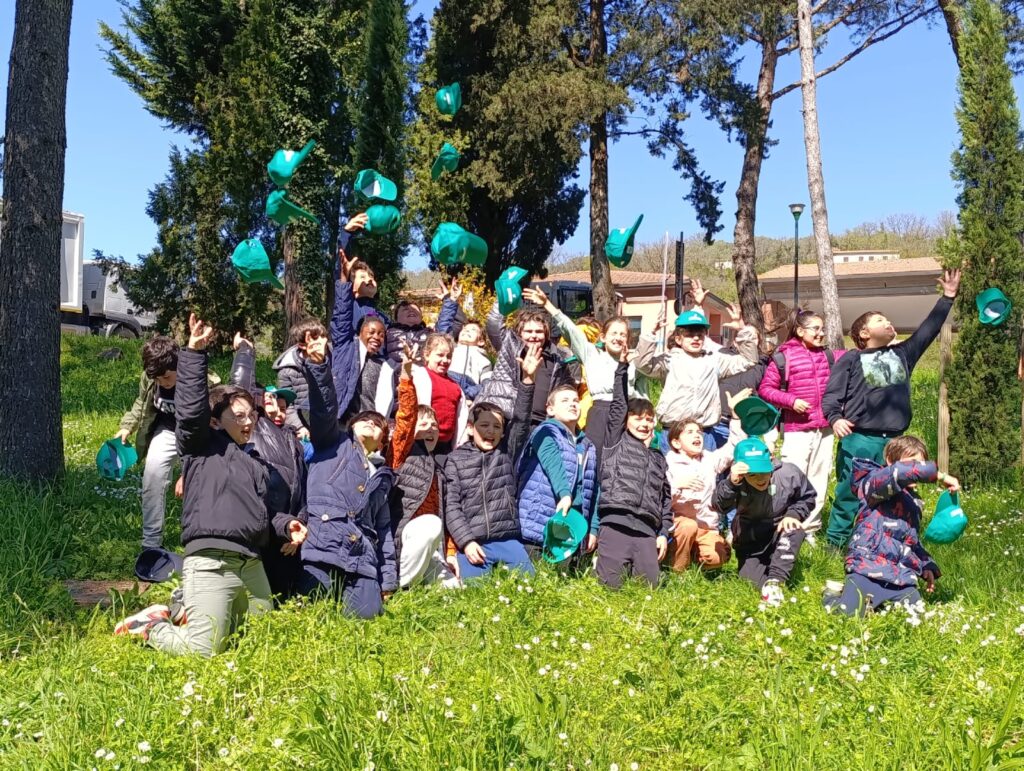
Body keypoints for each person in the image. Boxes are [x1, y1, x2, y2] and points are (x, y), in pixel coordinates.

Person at [114, 314, 306, 655]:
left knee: (264, 644)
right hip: (211, 560)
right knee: (205, 650)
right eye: (240, 415)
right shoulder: (200, 446)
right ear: (216, 420)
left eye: (253, 415)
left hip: (250, 564)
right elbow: (189, 411)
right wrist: (193, 353)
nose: (249, 422)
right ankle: (151, 628)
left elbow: (263, 512)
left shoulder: (257, 463)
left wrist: (286, 523)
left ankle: (180, 605)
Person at [821, 269, 961, 549]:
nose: (888, 322)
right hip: (860, 438)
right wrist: (835, 418)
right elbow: (831, 396)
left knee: (894, 494)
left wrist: (947, 298)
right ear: (864, 332)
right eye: (879, 320)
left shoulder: (903, 354)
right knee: (851, 492)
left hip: (896, 443)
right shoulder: (851, 358)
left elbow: (928, 329)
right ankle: (835, 545)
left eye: (887, 319)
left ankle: (881, 542)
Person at [298, 328, 397, 618]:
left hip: (361, 555)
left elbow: (384, 530)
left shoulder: (382, 476)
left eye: (377, 424)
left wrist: (387, 579)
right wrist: (319, 367)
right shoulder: (332, 442)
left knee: (365, 618)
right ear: (351, 426)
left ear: (382, 439)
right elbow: (323, 410)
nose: (369, 423)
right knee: (311, 613)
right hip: (323, 542)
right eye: (363, 420)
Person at [824, 435, 958, 617]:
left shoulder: (915, 502)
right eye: (913, 464)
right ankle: (832, 596)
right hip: (866, 569)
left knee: (915, 620)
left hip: (902, 578)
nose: (918, 470)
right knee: (847, 616)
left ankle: (876, 605)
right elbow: (898, 473)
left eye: (921, 464)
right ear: (890, 460)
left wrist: (926, 564)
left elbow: (911, 540)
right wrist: (939, 475)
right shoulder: (873, 483)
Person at [443, 346, 539, 580]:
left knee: (530, 588)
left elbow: (522, 420)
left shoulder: (506, 452)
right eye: (484, 425)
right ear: (470, 428)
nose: (491, 431)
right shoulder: (455, 459)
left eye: (497, 427)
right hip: (475, 541)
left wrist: (528, 380)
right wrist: (465, 542)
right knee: (477, 597)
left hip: (507, 538)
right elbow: (452, 506)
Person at [228, 333, 308, 600]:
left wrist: (298, 525)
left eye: (285, 406)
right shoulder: (255, 428)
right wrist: (245, 353)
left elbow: (303, 490)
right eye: (273, 402)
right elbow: (239, 391)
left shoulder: (293, 441)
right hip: (259, 527)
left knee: (284, 597)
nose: (279, 410)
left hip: (287, 533)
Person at [524, 286, 646, 461]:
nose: (618, 337)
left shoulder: (631, 362)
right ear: (603, 337)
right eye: (614, 333)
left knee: (622, 460)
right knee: (594, 458)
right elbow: (572, 331)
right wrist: (548, 305)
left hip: (626, 413)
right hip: (600, 412)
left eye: (623, 334)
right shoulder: (592, 355)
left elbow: (642, 395)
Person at [758, 309, 846, 537]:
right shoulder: (783, 357)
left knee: (819, 478)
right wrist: (791, 401)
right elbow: (765, 389)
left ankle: (810, 530)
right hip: (797, 429)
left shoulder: (828, 356)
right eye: (816, 328)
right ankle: (787, 528)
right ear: (800, 331)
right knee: (792, 478)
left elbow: (853, 358)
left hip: (824, 429)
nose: (821, 333)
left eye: (822, 328)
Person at [116, 335, 206, 549]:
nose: (162, 383)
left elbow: (207, 423)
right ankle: (151, 543)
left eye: (167, 378)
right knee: (152, 477)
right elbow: (142, 402)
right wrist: (127, 426)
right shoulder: (151, 378)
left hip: (197, 436)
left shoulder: (200, 379)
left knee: (198, 484)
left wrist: (188, 469)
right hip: (166, 431)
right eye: (157, 380)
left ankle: (199, 538)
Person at [592, 355, 672, 589]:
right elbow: (618, 406)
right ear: (627, 421)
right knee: (610, 588)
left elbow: (665, 500)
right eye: (638, 418)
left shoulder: (658, 458)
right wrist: (622, 370)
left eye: (649, 419)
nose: (644, 424)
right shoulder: (616, 442)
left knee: (648, 589)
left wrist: (663, 533)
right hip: (616, 522)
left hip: (646, 530)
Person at [635, 304, 757, 451]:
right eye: (689, 334)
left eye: (700, 334)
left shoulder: (715, 360)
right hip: (673, 432)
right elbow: (642, 364)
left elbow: (749, 360)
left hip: (704, 433)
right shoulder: (669, 360)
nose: (695, 338)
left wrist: (741, 330)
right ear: (679, 339)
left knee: (706, 474)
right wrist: (650, 334)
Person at [388, 343, 459, 589]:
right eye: (424, 424)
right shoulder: (401, 454)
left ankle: (419, 585)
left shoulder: (439, 468)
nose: (431, 428)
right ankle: (402, 587)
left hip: (432, 546)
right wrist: (407, 376)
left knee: (454, 591)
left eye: (434, 425)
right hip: (405, 539)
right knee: (430, 524)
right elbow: (405, 418)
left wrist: (451, 552)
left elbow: (447, 513)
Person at [713, 436, 816, 607]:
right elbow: (718, 506)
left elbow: (808, 497)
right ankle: (768, 579)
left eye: (764, 472)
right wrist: (731, 484)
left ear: (771, 461)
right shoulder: (735, 481)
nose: (760, 479)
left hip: (779, 529)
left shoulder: (788, 472)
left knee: (794, 528)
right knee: (751, 583)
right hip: (750, 537)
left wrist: (793, 514)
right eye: (752, 474)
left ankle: (776, 580)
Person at [665, 388, 751, 573]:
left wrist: (735, 416)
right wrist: (678, 485)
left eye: (699, 432)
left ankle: (697, 557)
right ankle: (677, 571)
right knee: (688, 526)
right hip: (679, 526)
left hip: (706, 527)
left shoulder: (709, 459)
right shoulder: (668, 464)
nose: (697, 435)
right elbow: (658, 498)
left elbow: (733, 448)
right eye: (689, 432)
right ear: (676, 443)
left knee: (718, 557)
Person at [516, 378, 599, 563]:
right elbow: (552, 462)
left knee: (564, 584)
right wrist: (565, 494)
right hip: (539, 524)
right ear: (550, 409)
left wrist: (593, 528)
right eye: (565, 400)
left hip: (571, 528)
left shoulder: (588, 445)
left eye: (576, 401)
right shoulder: (545, 432)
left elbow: (594, 489)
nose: (572, 404)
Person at [480, 300, 579, 426]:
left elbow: (566, 389)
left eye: (539, 332)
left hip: (543, 422)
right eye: (528, 331)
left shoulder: (557, 359)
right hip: (510, 418)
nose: (534, 336)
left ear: (546, 334)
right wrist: (504, 297)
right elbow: (494, 324)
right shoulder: (511, 348)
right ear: (520, 333)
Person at [337, 251, 398, 421]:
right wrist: (347, 234)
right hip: (356, 367)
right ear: (351, 283)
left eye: (372, 276)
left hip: (381, 369)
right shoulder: (350, 307)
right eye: (362, 276)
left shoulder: (383, 316)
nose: (369, 279)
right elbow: (341, 312)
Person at [411, 333, 469, 454]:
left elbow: (460, 417)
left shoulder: (455, 386)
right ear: (427, 355)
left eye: (449, 356)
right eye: (440, 355)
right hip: (421, 442)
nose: (445, 360)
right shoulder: (420, 376)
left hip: (445, 446)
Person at [273, 316, 326, 440]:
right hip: (305, 428)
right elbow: (287, 405)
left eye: (323, 337)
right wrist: (299, 427)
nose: (322, 342)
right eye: (316, 339)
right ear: (302, 345)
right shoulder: (287, 371)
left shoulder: (331, 360)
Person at [385, 277, 460, 364]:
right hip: (395, 373)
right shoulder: (387, 332)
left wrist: (450, 300)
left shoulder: (431, 333)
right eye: (405, 309)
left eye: (414, 309)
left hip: (423, 373)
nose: (411, 310)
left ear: (421, 317)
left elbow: (444, 324)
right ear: (396, 317)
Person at [447, 320, 493, 400]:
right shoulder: (449, 349)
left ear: (481, 341)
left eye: (473, 330)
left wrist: (469, 395)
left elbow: (487, 383)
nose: (467, 330)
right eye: (464, 329)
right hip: (449, 380)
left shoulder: (485, 361)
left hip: (469, 387)